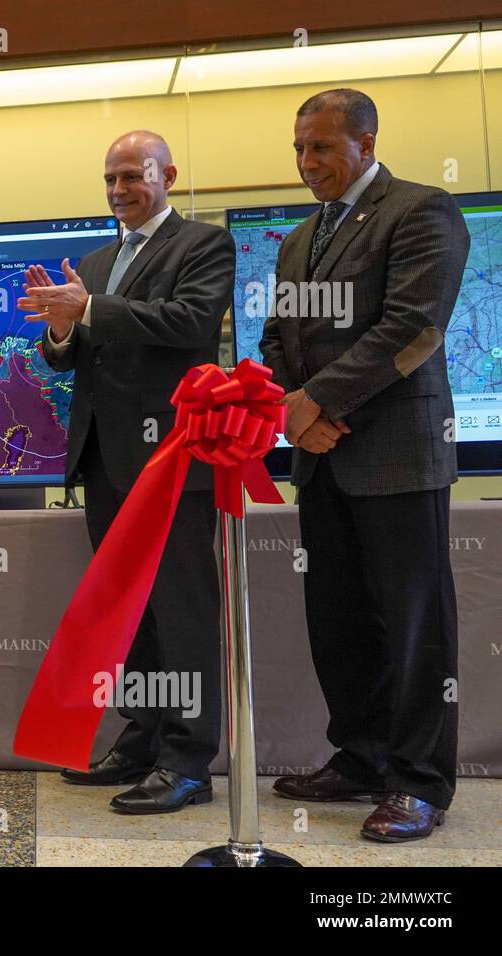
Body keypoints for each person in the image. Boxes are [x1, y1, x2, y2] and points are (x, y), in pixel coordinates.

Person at [261, 89, 467, 842]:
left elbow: (413, 329)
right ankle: (363, 756)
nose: (308, 163)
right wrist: (294, 405)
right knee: (339, 622)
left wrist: (311, 401)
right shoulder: (295, 240)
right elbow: (277, 336)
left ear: (367, 142)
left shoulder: (421, 210)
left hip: (396, 455)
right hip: (322, 459)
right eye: (299, 149)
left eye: (321, 147)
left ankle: (420, 783)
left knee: (415, 626)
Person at [21, 130, 235, 814]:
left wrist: (89, 310)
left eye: (131, 178)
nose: (118, 191)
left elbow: (189, 321)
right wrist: (60, 329)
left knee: (183, 612)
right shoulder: (97, 257)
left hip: (171, 461)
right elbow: (75, 352)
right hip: (103, 462)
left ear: (167, 174)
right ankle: (142, 738)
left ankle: (189, 760)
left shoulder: (203, 245)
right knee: (129, 616)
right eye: (109, 179)